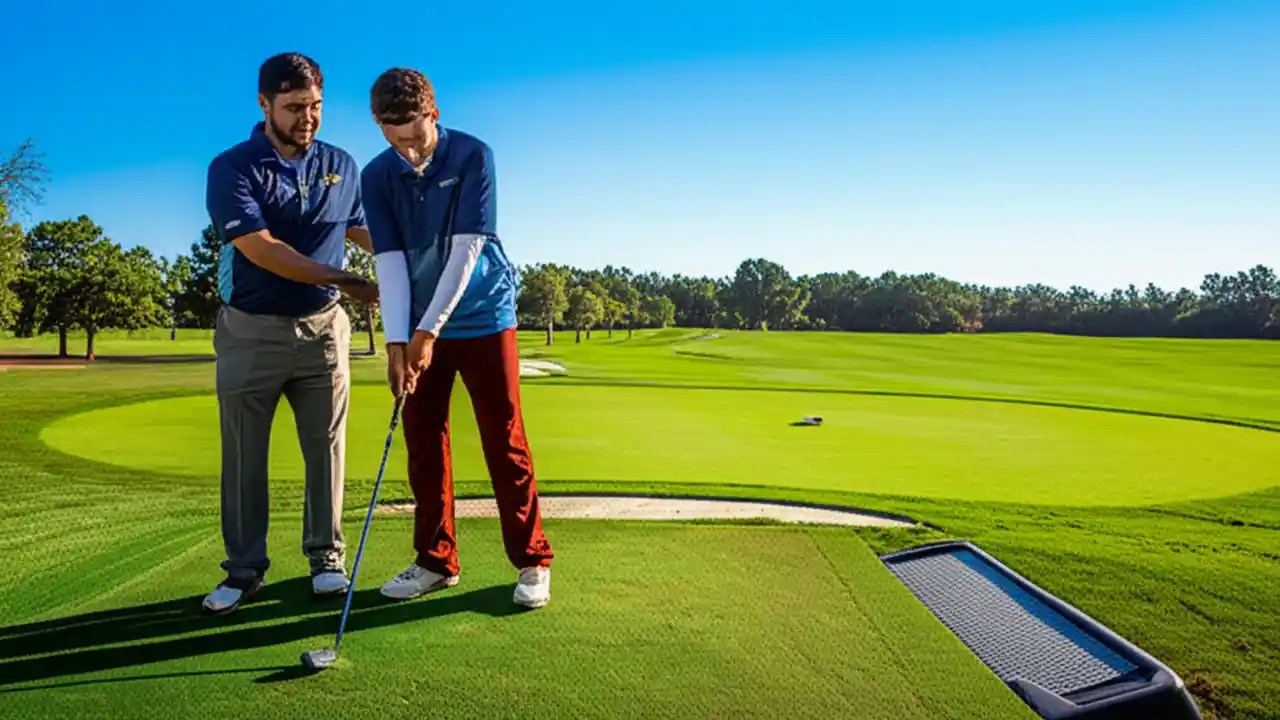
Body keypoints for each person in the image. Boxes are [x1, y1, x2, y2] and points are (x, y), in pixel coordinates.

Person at [360, 67, 554, 609]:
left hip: (485, 315)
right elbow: (391, 264)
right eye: (395, 140)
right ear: (379, 127)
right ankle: (435, 560)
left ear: (433, 113)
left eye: (416, 137)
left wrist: (425, 332)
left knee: (503, 438)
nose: (410, 152)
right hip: (420, 322)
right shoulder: (376, 176)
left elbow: (466, 250)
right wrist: (397, 343)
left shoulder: (473, 156)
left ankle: (532, 559)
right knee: (422, 442)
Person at [201, 52, 379, 615]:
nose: (308, 117)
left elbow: (359, 229)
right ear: (264, 104)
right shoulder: (233, 166)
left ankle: (326, 557)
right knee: (244, 457)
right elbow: (262, 249)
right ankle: (245, 569)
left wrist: (418, 260)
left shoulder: (343, 163)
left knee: (326, 449)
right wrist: (349, 280)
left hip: (325, 332)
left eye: (316, 106)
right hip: (250, 331)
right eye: (295, 107)